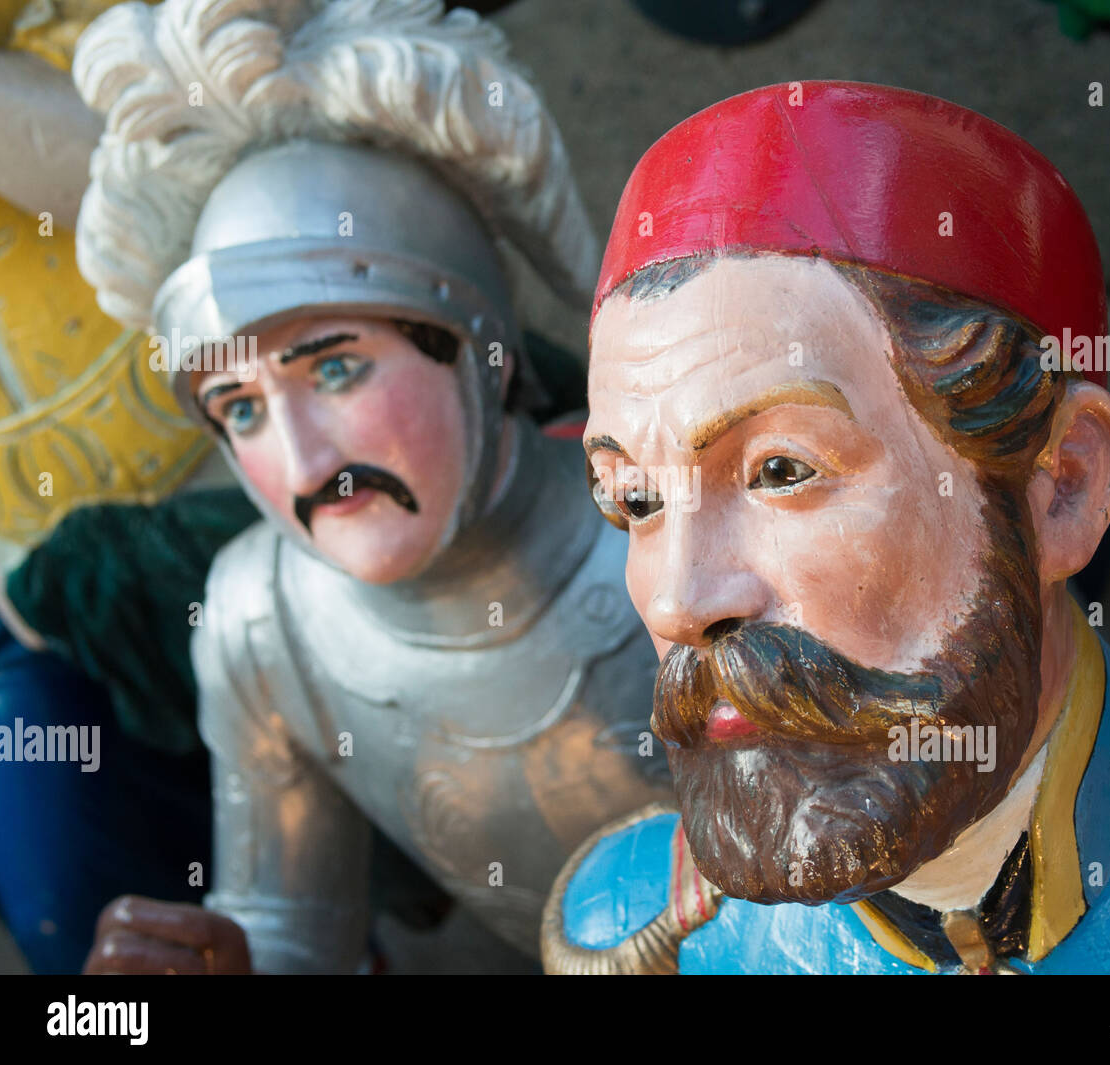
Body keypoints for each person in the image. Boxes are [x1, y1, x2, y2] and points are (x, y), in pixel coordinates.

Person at [543, 81, 1110, 975]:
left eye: (782, 471)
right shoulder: (644, 934)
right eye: (636, 498)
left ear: (1063, 486)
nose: (676, 600)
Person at [73, 0, 669, 974]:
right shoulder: (258, 616)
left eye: (338, 369)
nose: (305, 463)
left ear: (478, 350)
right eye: (242, 408)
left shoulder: (675, 529)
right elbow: (289, 925)